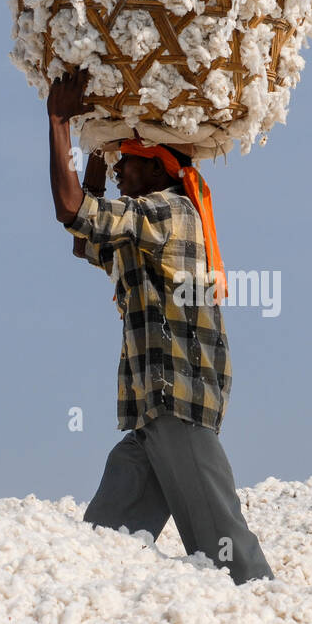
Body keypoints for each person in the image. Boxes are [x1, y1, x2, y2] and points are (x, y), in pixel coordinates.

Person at [45, 69, 274, 585]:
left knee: (223, 545)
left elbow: (71, 210)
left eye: (126, 160)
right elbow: (85, 241)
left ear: (157, 167)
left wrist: (60, 122)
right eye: (118, 160)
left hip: (179, 397)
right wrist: (95, 156)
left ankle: (268, 611)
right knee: (104, 544)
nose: (120, 169)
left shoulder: (167, 211)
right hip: (153, 410)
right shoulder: (141, 223)